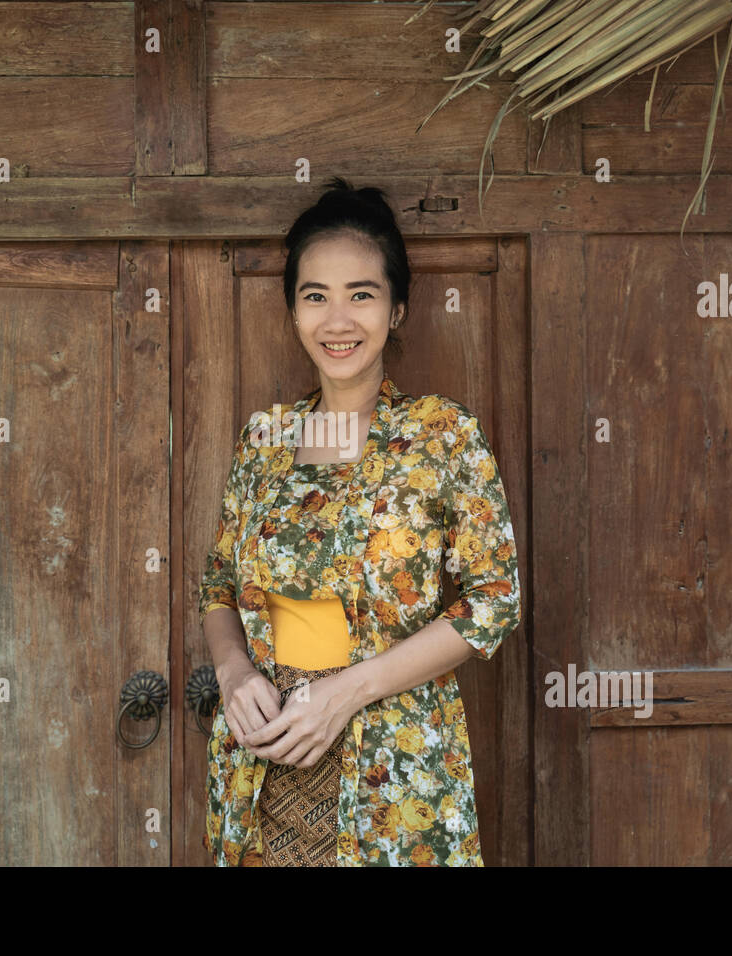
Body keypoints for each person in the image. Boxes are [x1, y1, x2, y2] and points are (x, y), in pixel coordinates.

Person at [198, 176, 522, 866]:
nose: (337, 320)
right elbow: (220, 585)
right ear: (292, 311)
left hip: (394, 779)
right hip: (263, 769)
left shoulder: (441, 435)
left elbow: (494, 602)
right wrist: (232, 674)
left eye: (362, 295)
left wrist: (345, 693)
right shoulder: (265, 438)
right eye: (315, 296)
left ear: (398, 309)